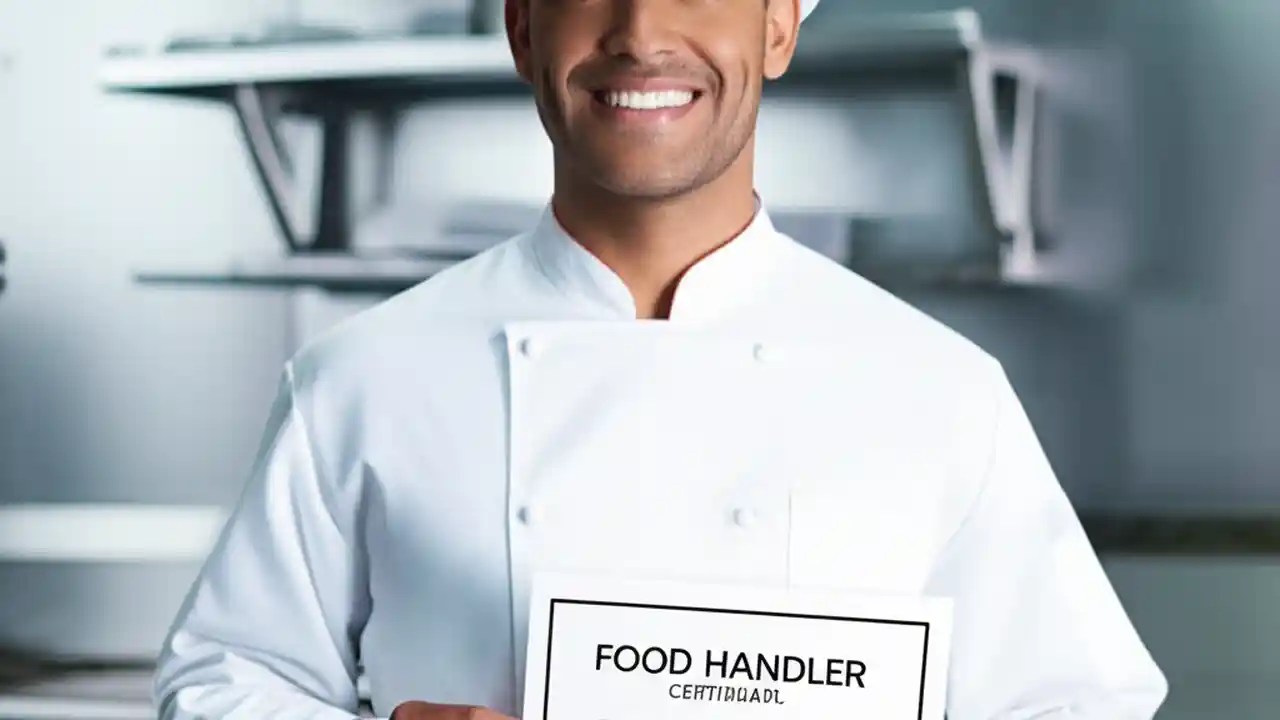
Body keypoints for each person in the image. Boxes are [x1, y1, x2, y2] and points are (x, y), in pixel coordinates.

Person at [154, 0, 1168, 718]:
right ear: (521, 28)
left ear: (778, 27)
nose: (639, 32)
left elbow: (1078, 705)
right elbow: (222, 684)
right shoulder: (362, 379)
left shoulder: (941, 392)